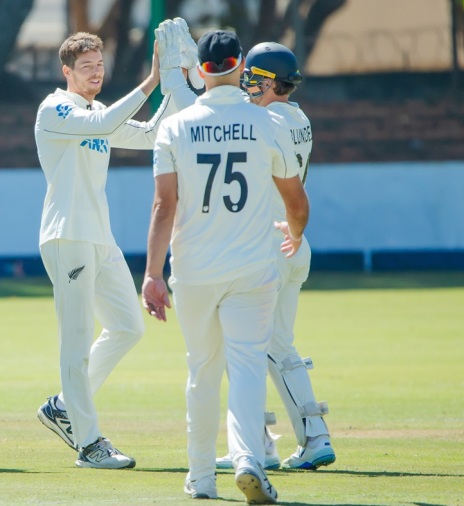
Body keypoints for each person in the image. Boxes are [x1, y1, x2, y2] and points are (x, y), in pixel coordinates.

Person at [141, 31, 309, 502]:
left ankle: (199, 477)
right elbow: (296, 201)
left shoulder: (174, 126)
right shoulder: (267, 123)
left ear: (201, 70)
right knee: (249, 367)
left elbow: (162, 206)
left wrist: (153, 274)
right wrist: (294, 236)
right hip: (253, 269)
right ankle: (248, 459)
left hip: (193, 270)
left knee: (202, 372)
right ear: (240, 68)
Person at [33, 20, 200, 469]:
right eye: (86, 67)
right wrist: (151, 79)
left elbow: (149, 136)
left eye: (99, 66)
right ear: (66, 71)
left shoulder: (96, 110)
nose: (95, 73)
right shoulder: (56, 110)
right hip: (67, 235)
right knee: (77, 340)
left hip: (99, 238)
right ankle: (89, 444)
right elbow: (106, 121)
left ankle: (64, 407)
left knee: (128, 326)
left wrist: (175, 83)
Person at [214, 42, 335, 472]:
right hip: (293, 242)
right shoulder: (297, 116)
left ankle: (257, 443)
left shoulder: (262, 121)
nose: (243, 83)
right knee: (279, 346)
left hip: (264, 244)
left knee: (239, 347)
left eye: (250, 77)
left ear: (265, 82)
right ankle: (314, 437)